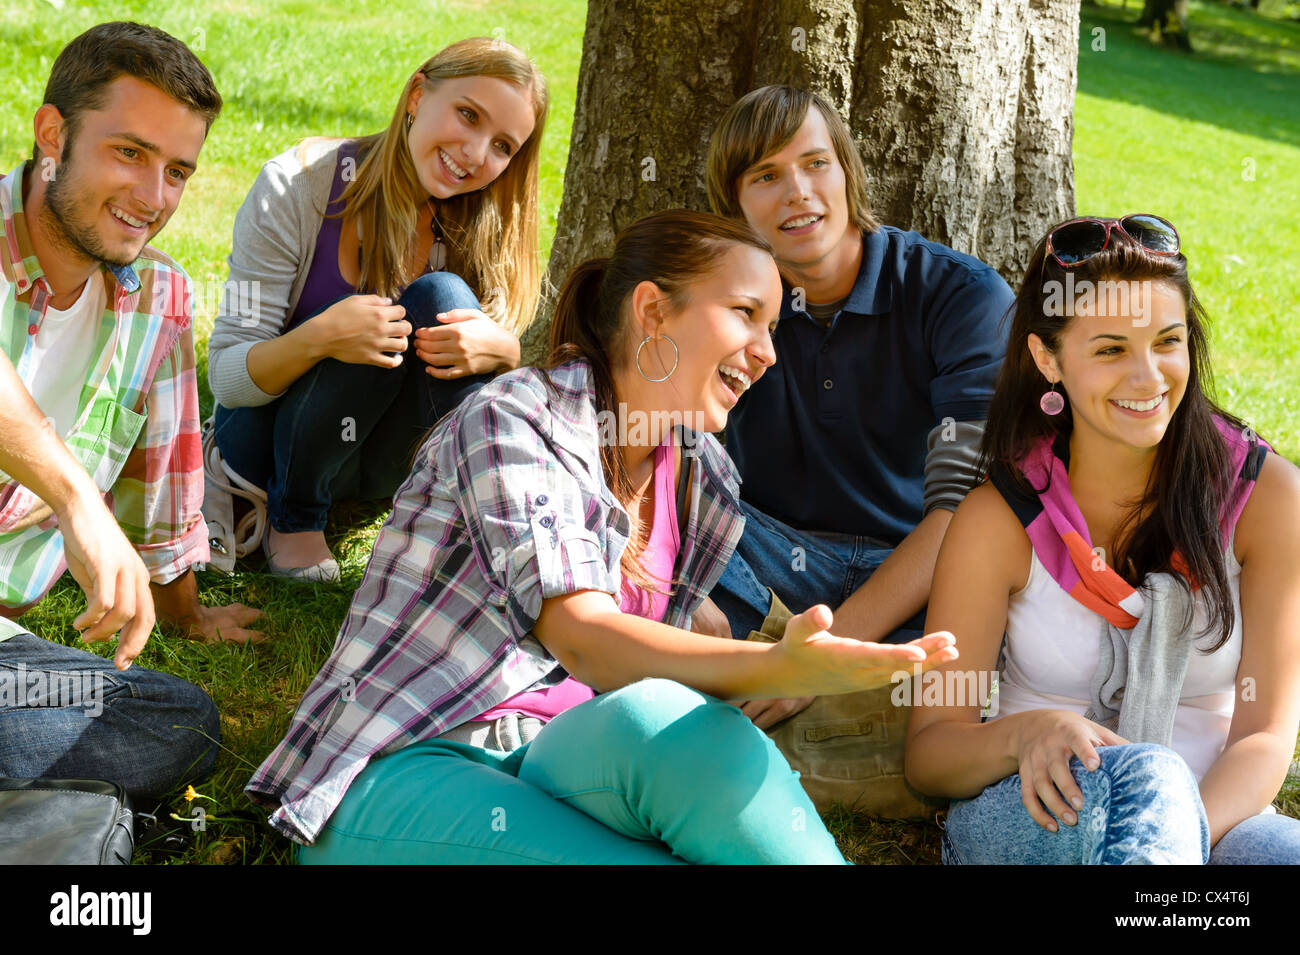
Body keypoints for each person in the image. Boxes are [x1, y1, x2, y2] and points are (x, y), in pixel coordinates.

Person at [246, 210, 958, 863]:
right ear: (652, 310)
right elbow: (584, 637)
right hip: (414, 759)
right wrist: (779, 667)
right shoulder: (516, 416)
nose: (768, 351)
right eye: (746, 313)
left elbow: (652, 677)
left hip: (557, 756)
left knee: (688, 726)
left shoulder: (701, 474)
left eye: (773, 325)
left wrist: (792, 661)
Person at [905, 214, 1300, 864]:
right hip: (1044, 812)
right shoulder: (1002, 516)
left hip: (1217, 817)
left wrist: (1177, 835)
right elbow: (930, 752)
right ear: (1047, 358)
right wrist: (1025, 733)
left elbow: (1264, 739)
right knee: (1156, 777)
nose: (1148, 377)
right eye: (1111, 349)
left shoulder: (1264, 497)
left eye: (1167, 342)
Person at [701, 85, 1013, 732]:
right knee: (668, 488)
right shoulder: (721, 302)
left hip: (921, 571)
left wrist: (821, 659)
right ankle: (736, 670)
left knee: (997, 605)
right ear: (734, 205)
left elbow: (960, 513)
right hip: (769, 556)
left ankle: (778, 674)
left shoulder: (961, 297)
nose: (798, 192)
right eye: (765, 176)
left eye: (816, 163)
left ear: (848, 171)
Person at [0, 22, 256, 799]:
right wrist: (76, 498)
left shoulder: (160, 295)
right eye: (129, 153)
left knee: (176, 721)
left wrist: (183, 607)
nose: (153, 198)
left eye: (177, 170)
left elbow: (164, 474)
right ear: (54, 135)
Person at [207, 38, 548, 581]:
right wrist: (318, 337)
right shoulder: (295, 188)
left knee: (443, 299)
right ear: (417, 95)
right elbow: (226, 379)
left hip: (373, 465)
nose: (477, 155)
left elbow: (476, 385)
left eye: (503, 145)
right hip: (265, 451)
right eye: (467, 114)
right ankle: (294, 522)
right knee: (373, 315)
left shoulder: (478, 221)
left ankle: (476, 529)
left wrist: (506, 351)